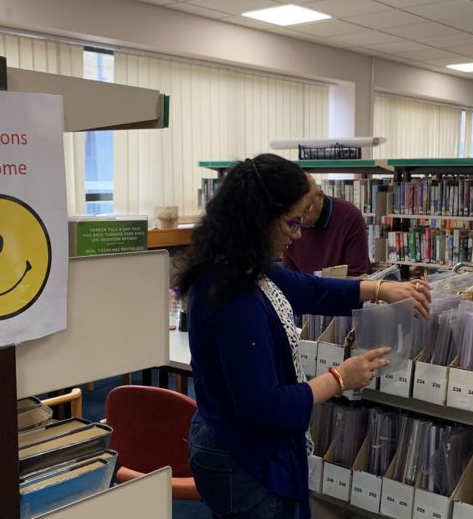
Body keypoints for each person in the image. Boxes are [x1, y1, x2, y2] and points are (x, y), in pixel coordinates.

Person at [175, 154, 431, 519]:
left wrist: (379, 290)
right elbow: (265, 407)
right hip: (246, 460)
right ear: (259, 218)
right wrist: (341, 378)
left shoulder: (235, 264)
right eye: (292, 223)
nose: (297, 235)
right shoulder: (234, 294)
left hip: (232, 446)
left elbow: (307, 289)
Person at [283, 173, 372, 276]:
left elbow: (357, 276)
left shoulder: (349, 216)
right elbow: (289, 274)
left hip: (343, 289)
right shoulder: (290, 221)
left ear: (320, 196)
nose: (301, 219)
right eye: (296, 212)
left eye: (306, 209)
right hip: (304, 289)